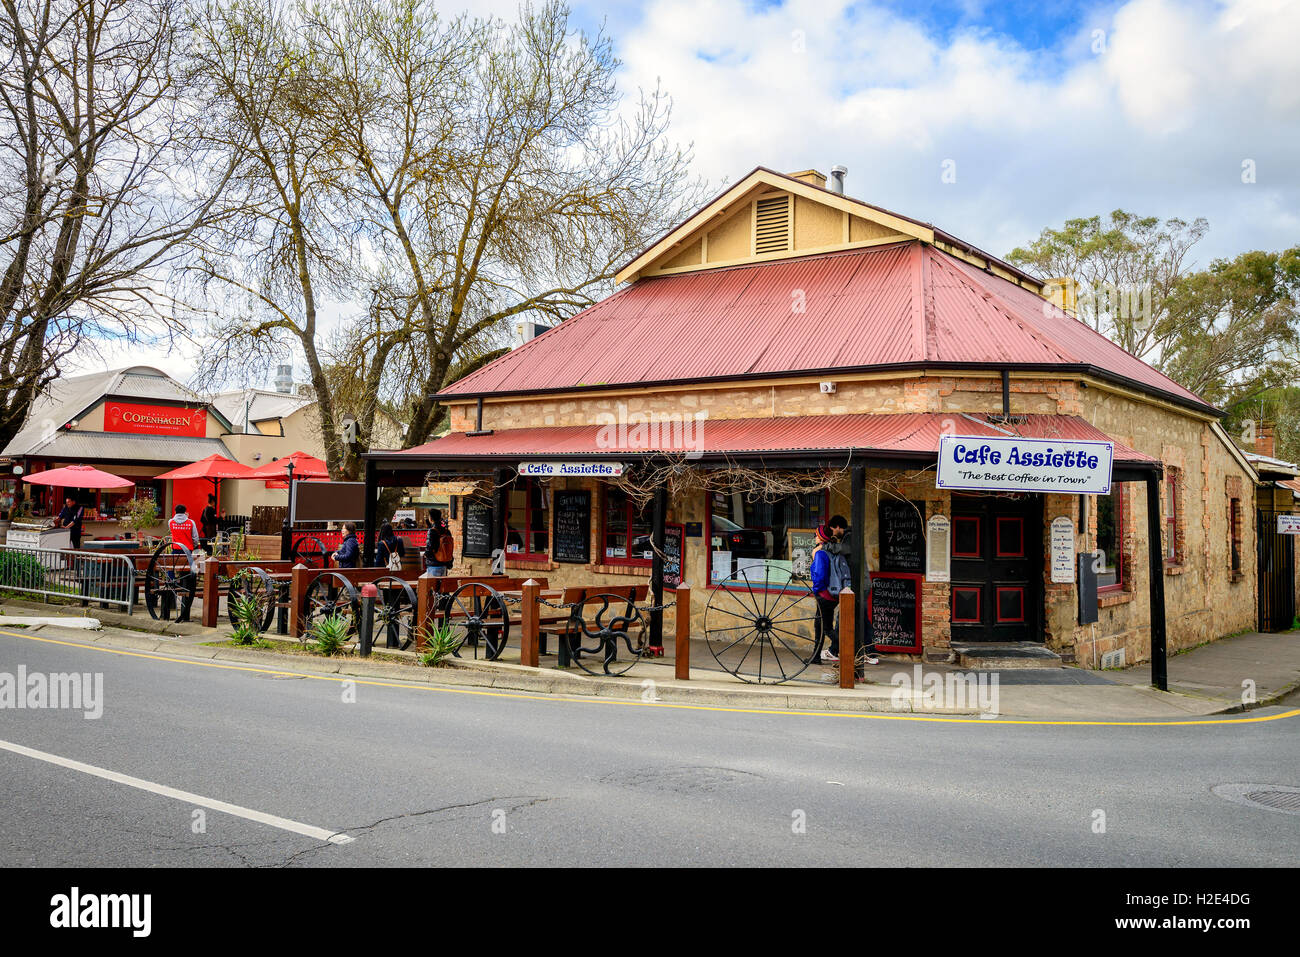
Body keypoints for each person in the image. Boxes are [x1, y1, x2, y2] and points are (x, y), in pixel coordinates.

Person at [810, 517, 852, 664]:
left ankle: (847, 648)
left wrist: (816, 591)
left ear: (821, 537)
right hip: (833, 595)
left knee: (823, 627)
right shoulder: (834, 551)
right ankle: (816, 657)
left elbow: (819, 576)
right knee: (824, 626)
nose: (814, 537)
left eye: (816, 535)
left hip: (824, 595)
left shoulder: (821, 553)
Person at [167, 504, 202, 623]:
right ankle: (187, 582)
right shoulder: (191, 522)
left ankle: (171, 579)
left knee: (171, 565)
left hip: (176, 551)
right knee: (188, 569)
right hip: (188, 552)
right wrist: (193, 545)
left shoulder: (171, 522)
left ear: (175, 511)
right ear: (185, 511)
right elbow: (195, 538)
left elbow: (172, 531)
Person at [423, 510, 455, 576]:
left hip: (434, 564)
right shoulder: (447, 531)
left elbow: (429, 547)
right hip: (444, 563)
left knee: (433, 582)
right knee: (442, 582)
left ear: (431, 518)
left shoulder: (432, 531)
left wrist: (426, 555)